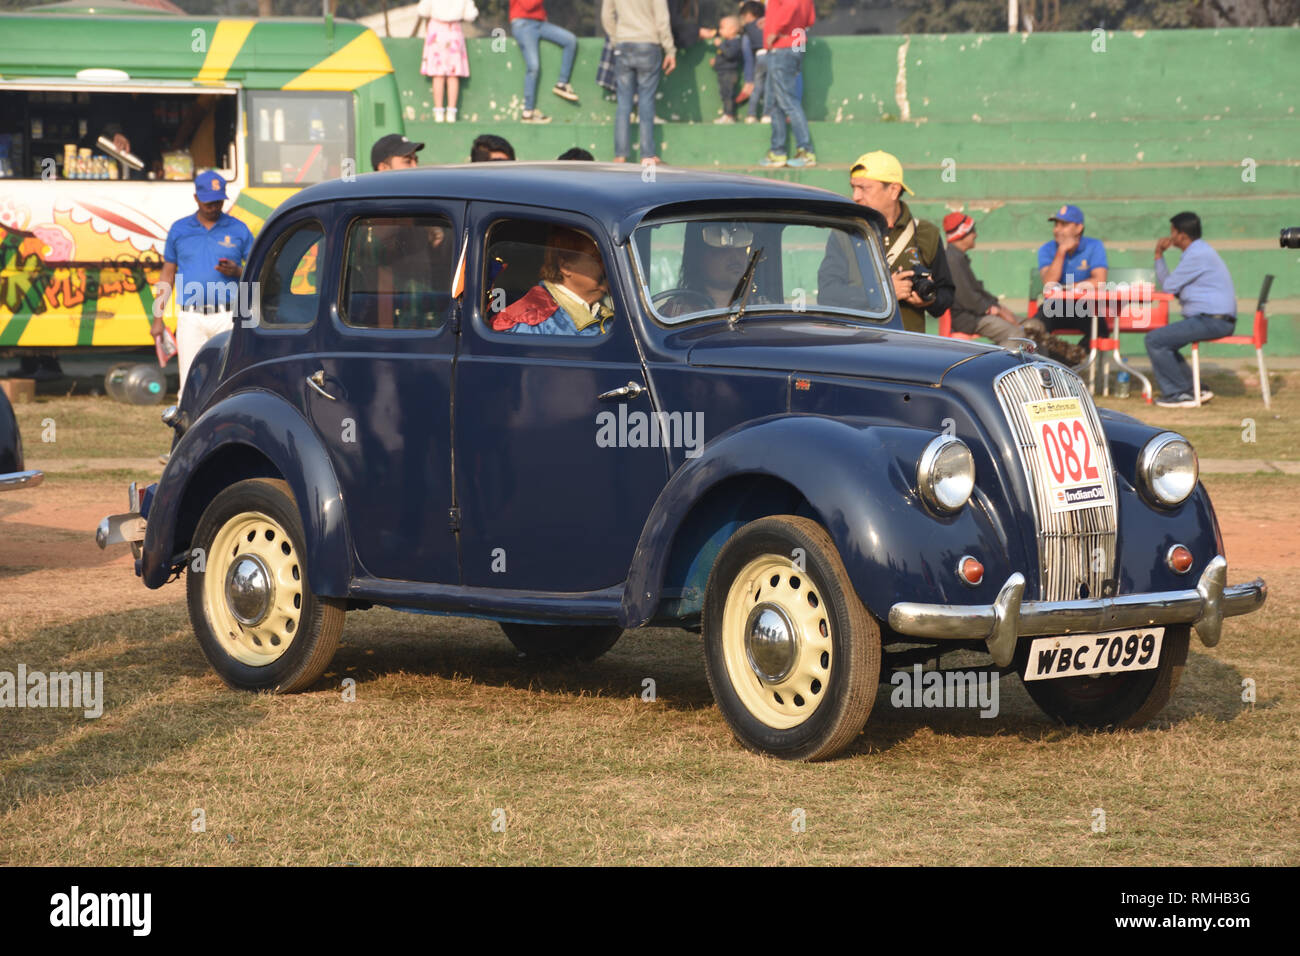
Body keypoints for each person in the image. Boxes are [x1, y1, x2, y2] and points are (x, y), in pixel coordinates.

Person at [818, 151, 952, 333]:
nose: (856, 196)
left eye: (864, 188)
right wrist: (882, 292)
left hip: (909, 349)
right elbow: (828, 295)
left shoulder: (926, 233)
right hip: (857, 345)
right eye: (853, 187)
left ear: (894, 190)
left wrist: (930, 299)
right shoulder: (844, 234)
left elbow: (947, 294)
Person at [151, 171, 253, 396]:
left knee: (229, 380)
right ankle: (187, 430)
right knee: (190, 382)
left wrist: (237, 271)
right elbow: (167, 274)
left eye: (218, 201)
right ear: (196, 198)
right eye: (208, 201)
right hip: (191, 317)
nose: (213, 206)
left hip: (229, 316)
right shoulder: (179, 230)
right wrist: (157, 318)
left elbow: (260, 269)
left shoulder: (238, 229)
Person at [943, 212, 1084, 364]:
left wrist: (999, 307)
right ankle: (982, 364)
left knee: (1035, 327)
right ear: (962, 233)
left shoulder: (959, 258)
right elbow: (967, 297)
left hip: (980, 312)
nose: (975, 235)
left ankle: (1041, 369)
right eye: (972, 231)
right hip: (969, 318)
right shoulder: (951, 259)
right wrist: (994, 310)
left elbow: (977, 293)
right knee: (1017, 335)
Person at [1144, 212, 1236, 408]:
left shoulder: (1197, 255)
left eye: (1172, 232)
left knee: (1155, 340)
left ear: (1182, 235)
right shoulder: (1199, 252)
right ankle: (1194, 389)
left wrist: (1158, 255)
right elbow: (1177, 289)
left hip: (1213, 320)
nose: (1170, 237)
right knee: (1165, 341)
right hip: (1212, 319)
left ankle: (1178, 393)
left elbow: (1169, 287)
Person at [491, 228, 614, 336]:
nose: (606, 265)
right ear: (566, 266)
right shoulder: (531, 324)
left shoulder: (614, 309)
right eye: (597, 258)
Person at [602, 0, 676, 165]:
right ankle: (647, 155)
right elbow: (662, 19)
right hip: (649, 44)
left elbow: (606, 16)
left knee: (623, 103)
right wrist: (670, 49)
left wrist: (616, 39)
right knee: (646, 101)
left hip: (623, 44)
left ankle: (620, 156)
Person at [1036, 203, 1109, 343]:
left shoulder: (1094, 246)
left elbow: (1099, 280)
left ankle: (1072, 360)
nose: (1057, 230)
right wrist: (1061, 251)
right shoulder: (1047, 249)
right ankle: (1052, 361)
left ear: (1079, 228)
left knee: (1101, 331)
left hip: (1084, 306)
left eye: (1064, 225)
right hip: (1054, 306)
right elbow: (1049, 283)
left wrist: (1067, 288)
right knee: (1035, 329)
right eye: (1056, 225)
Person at [660, 221, 765, 315]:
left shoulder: (764, 309)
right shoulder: (673, 314)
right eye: (723, 249)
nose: (735, 256)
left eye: (741, 248)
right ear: (699, 256)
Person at [759, 0, 815, 168]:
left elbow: (791, 6)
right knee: (775, 102)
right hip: (796, 45)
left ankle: (805, 151)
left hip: (782, 47)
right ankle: (777, 152)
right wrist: (770, 22)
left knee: (787, 101)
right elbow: (809, 20)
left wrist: (775, 29)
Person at [510, 1, 579, 124]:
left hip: (540, 23)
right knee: (533, 66)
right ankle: (528, 112)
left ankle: (562, 84)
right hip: (523, 24)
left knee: (570, 40)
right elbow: (528, 5)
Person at [418, 0, 477, 124]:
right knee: (453, 74)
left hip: (436, 30)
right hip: (454, 30)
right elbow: (470, 15)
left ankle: (438, 112)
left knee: (438, 74)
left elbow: (423, 10)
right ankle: (451, 112)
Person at [710, 16, 744, 123]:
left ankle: (729, 115)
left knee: (728, 94)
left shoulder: (735, 42)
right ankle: (726, 114)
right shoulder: (726, 42)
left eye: (722, 27)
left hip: (729, 73)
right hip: (722, 72)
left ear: (733, 29)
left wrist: (720, 45)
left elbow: (730, 54)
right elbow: (722, 58)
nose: (720, 30)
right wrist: (715, 63)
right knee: (724, 94)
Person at [739, 2, 768, 124]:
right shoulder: (768, 23)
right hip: (771, 54)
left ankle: (751, 114)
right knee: (769, 88)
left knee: (758, 86)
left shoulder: (749, 28)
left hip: (759, 56)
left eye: (744, 16)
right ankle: (767, 114)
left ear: (750, 15)